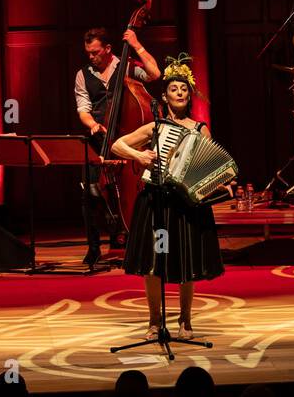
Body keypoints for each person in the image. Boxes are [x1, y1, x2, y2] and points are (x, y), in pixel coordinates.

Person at [111, 56, 224, 341]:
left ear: (190, 94)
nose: (180, 93)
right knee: (153, 263)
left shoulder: (201, 129)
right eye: (174, 89)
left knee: (185, 263)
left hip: (185, 203)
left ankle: (185, 320)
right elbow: (116, 145)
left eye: (184, 89)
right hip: (156, 200)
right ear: (165, 95)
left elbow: (212, 166)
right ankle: (154, 321)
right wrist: (139, 155)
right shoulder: (155, 127)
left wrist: (217, 182)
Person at [74, 26, 160, 264]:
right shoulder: (83, 74)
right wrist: (92, 124)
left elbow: (155, 73)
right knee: (89, 193)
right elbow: (83, 108)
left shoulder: (128, 66)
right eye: (88, 53)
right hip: (98, 140)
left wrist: (137, 45)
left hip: (126, 141)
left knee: (132, 192)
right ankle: (93, 248)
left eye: (95, 52)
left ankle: (134, 239)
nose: (91, 57)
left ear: (108, 49)